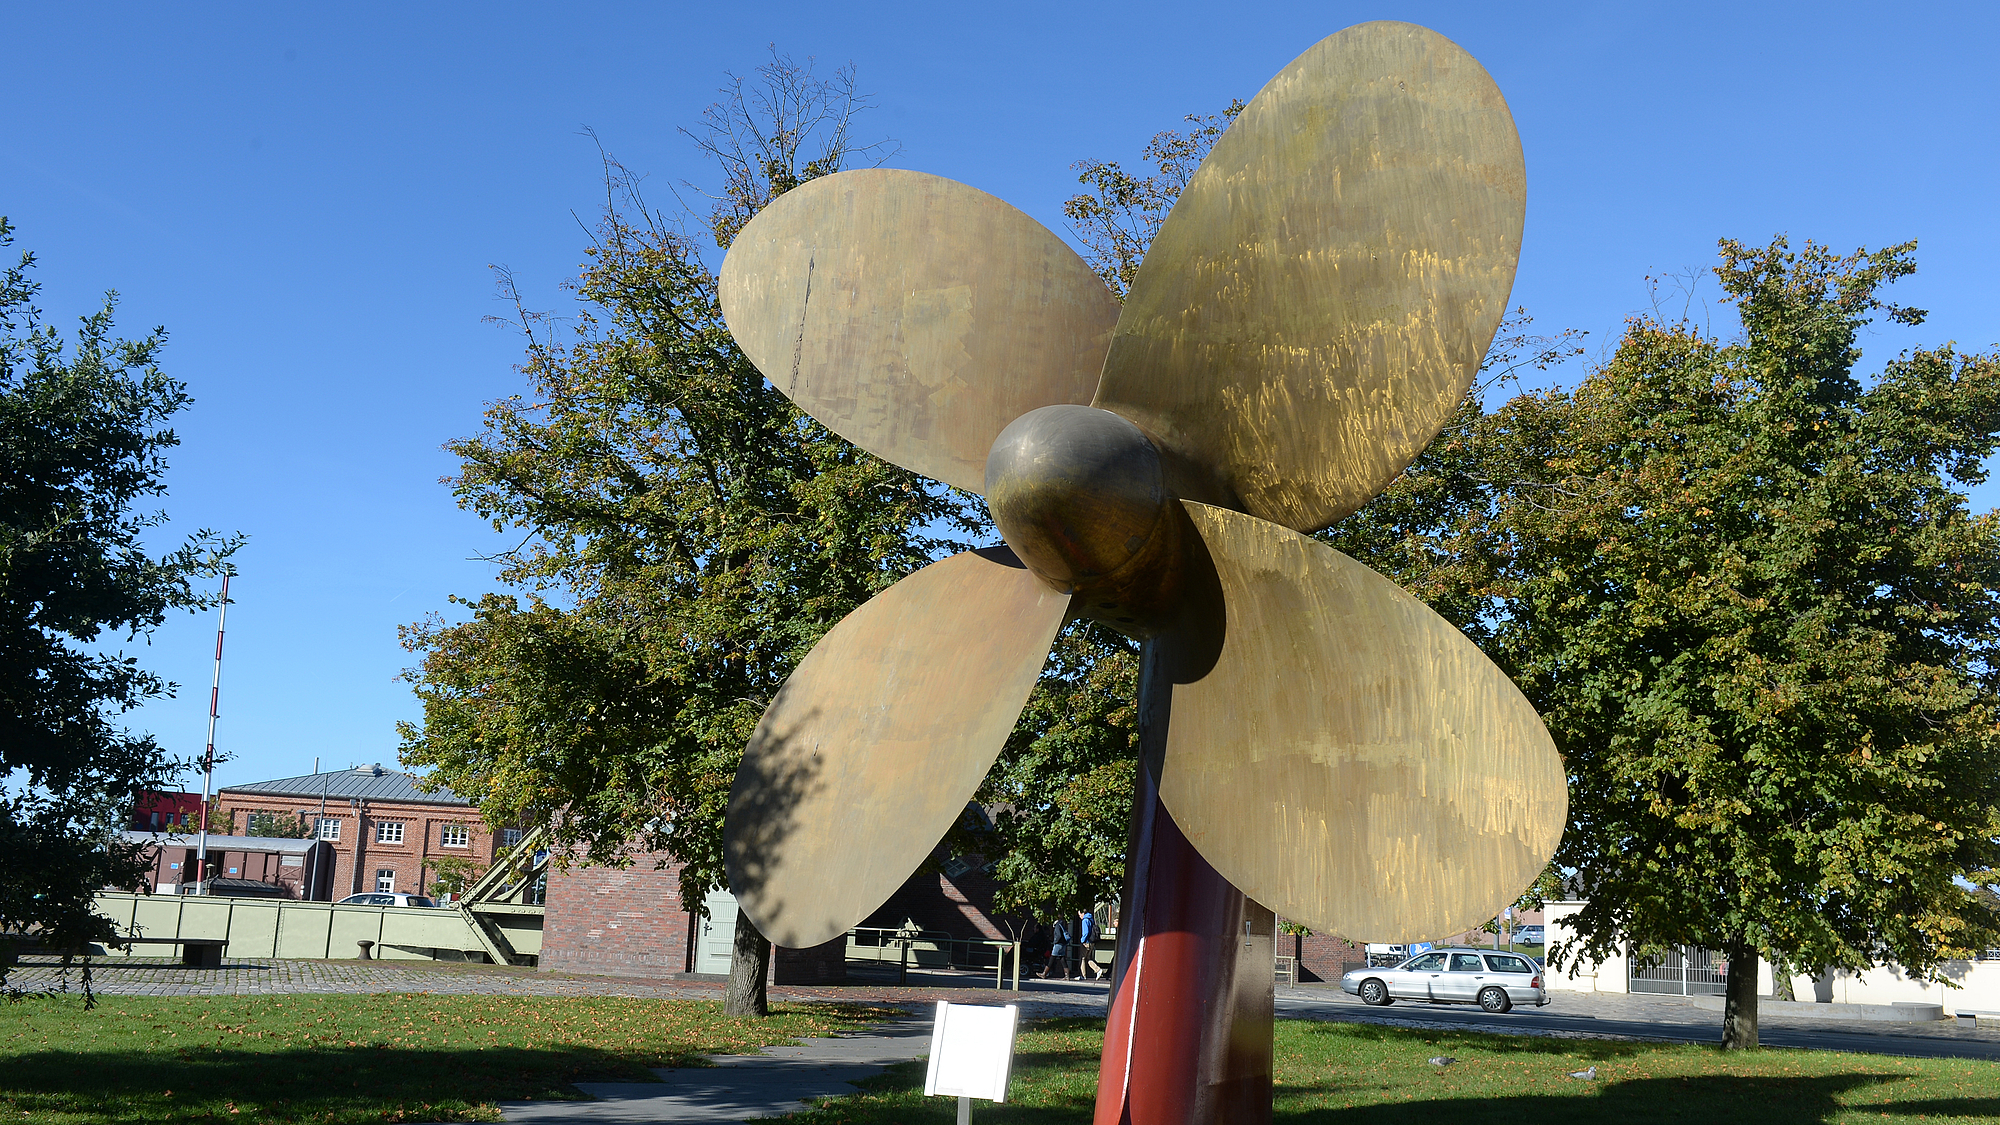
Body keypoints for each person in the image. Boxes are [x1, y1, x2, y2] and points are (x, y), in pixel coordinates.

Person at [1076, 908, 1102, 979]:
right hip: (1091, 941)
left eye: (1079, 915)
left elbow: (1086, 932)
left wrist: (1082, 940)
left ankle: (1083, 975)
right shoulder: (1091, 919)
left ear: (1082, 913)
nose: (1079, 916)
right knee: (1088, 958)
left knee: (1082, 958)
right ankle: (1098, 970)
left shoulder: (1085, 920)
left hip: (1086, 942)